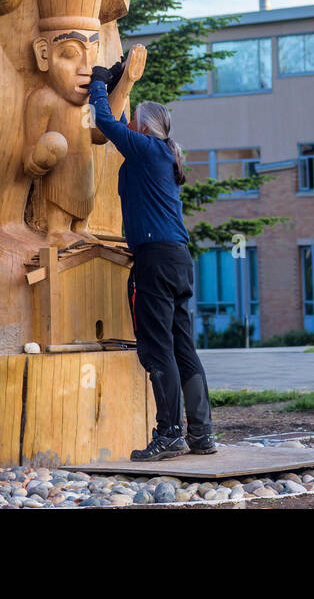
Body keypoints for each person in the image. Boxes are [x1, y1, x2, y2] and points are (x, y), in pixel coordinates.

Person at [87, 52, 216, 461]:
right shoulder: (162, 154)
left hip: (156, 262)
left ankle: (169, 433)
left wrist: (96, 82)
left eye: (136, 122)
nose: (132, 127)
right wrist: (121, 80)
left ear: (144, 127)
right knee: (183, 347)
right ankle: (201, 434)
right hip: (178, 258)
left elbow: (107, 124)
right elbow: (121, 122)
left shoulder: (144, 149)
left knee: (156, 348)